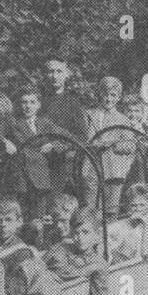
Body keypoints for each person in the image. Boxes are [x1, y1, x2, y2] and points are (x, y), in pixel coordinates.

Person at [0, 86, 56, 229]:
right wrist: (5, 142)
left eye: (32, 102)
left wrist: (53, 145)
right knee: (19, 219)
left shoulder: (45, 123)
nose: (28, 106)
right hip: (20, 179)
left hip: (41, 179)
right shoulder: (12, 123)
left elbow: (68, 139)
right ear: (18, 105)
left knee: (39, 221)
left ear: (38, 105)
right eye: (24, 102)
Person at [83, 76, 135, 218]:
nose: (108, 99)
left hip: (113, 168)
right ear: (100, 94)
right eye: (105, 94)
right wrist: (95, 143)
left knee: (111, 209)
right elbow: (84, 138)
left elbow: (130, 145)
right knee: (91, 206)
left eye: (113, 95)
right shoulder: (90, 115)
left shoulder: (123, 119)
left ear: (118, 97)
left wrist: (113, 144)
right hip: (92, 166)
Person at [39, 57, 88, 196]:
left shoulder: (73, 103)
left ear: (66, 74)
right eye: (50, 72)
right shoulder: (36, 102)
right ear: (45, 75)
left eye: (59, 71)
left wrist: (57, 146)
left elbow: (82, 137)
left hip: (62, 164)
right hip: (36, 162)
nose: (54, 76)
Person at [107, 183, 148, 263]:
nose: (138, 209)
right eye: (133, 205)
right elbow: (103, 233)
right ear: (128, 207)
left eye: (142, 205)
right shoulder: (122, 224)